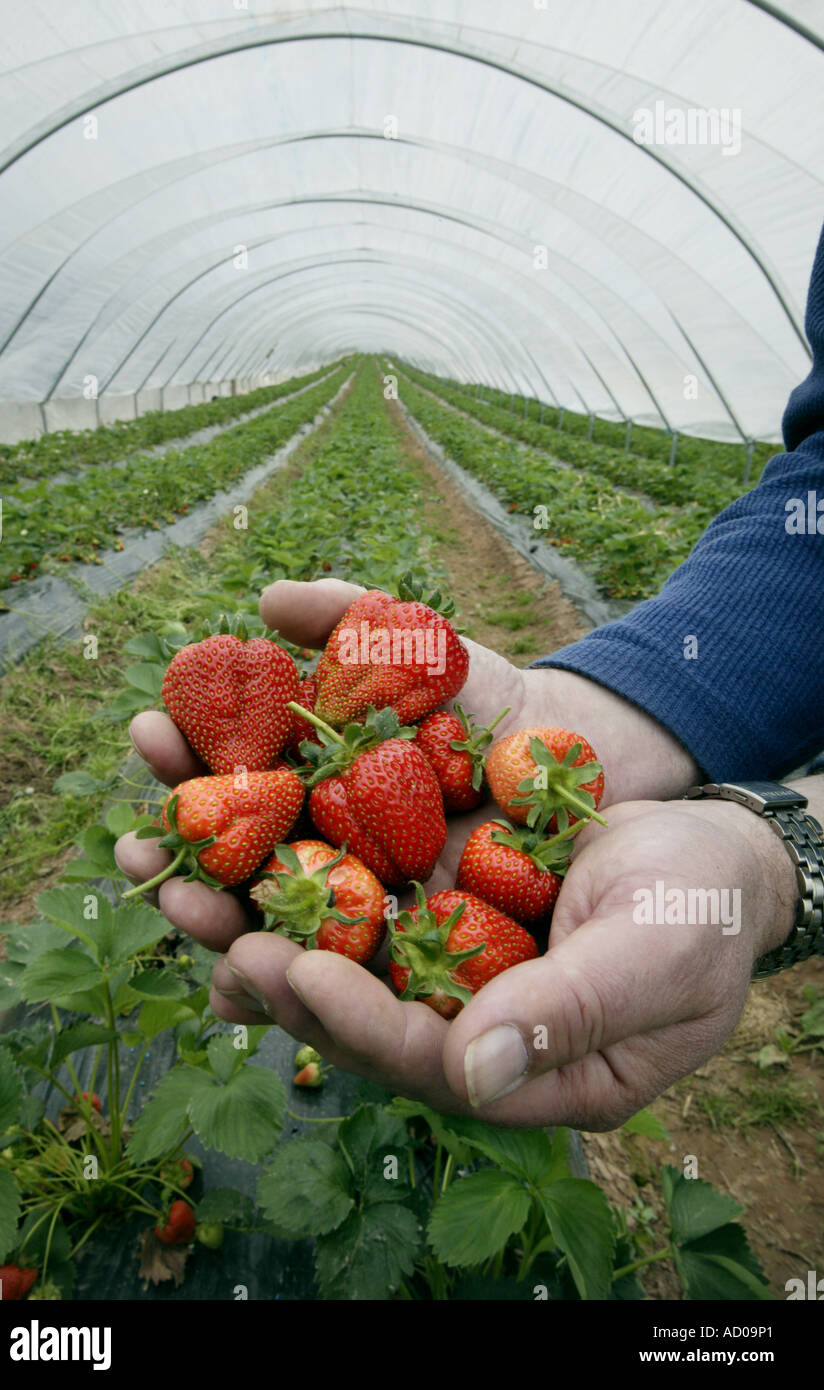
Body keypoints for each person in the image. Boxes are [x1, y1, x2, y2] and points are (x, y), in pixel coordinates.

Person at [116, 224, 824, 1130]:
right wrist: (762, 835)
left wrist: (768, 870)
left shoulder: (382, 781)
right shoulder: (364, 771)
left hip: (384, 820)